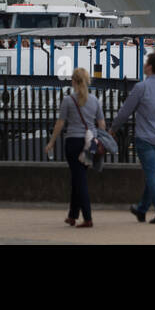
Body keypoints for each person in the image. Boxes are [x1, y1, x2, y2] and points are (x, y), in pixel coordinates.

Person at [110, 53, 155, 225]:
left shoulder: (141, 88)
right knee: (153, 174)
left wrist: (113, 129)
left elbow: (125, 112)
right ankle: (142, 209)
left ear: (149, 67)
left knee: (151, 175)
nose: (144, 64)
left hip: (145, 137)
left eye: (146, 62)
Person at [45, 67, 106, 228]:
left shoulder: (68, 100)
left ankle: (87, 217)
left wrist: (52, 141)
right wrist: (99, 139)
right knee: (78, 177)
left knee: (79, 179)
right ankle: (72, 215)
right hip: (90, 142)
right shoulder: (95, 101)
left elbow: (60, 123)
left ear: (73, 81)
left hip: (73, 141)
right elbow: (101, 124)